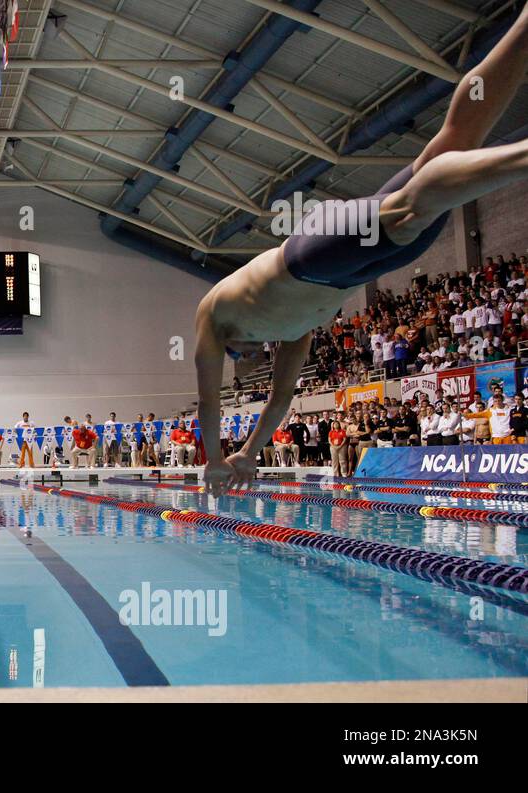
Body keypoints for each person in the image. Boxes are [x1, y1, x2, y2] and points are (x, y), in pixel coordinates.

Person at [195, 8, 528, 495]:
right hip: (351, 271)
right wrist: (248, 453)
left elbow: (207, 404)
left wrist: (215, 457)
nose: (244, 353)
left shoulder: (211, 315)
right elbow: (281, 396)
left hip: (312, 251)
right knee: (451, 144)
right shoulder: (292, 334)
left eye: (236, 351)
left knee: (410, 211)